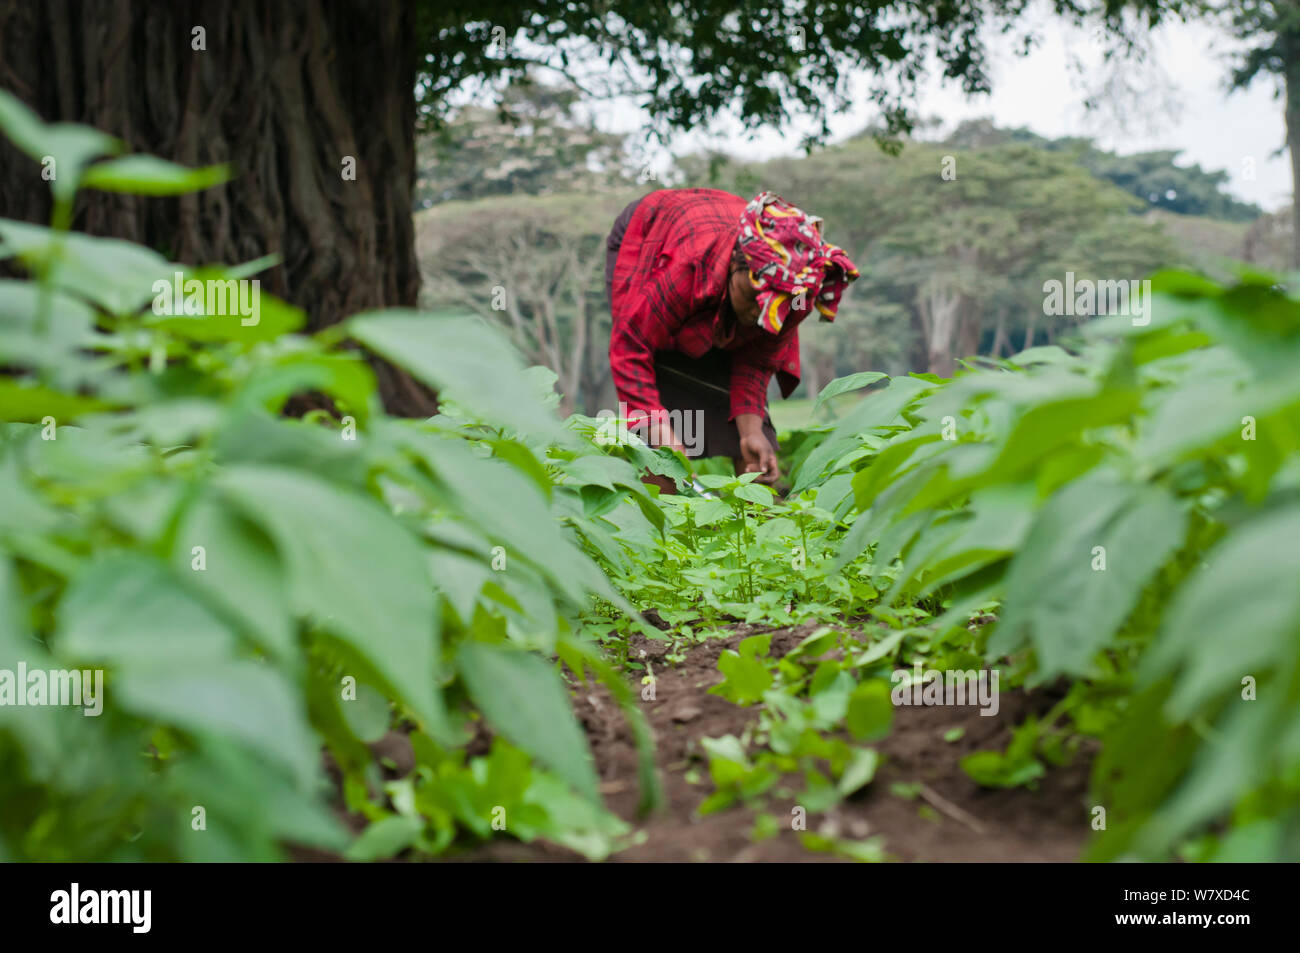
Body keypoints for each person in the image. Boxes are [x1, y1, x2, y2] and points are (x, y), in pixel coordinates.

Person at [605, 188, 859, 488]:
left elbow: (758, 359)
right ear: (735, 266)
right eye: (752, 298)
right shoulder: (688, 268)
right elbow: (630, 347)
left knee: (753, 448)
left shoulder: (797, 291)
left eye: (770, 306)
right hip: (651, 230)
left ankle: (758, 520)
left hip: (708, 237)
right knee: (661, 434)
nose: (757, 313)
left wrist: (751, 431)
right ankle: (659, 507)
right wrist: (663, 438)